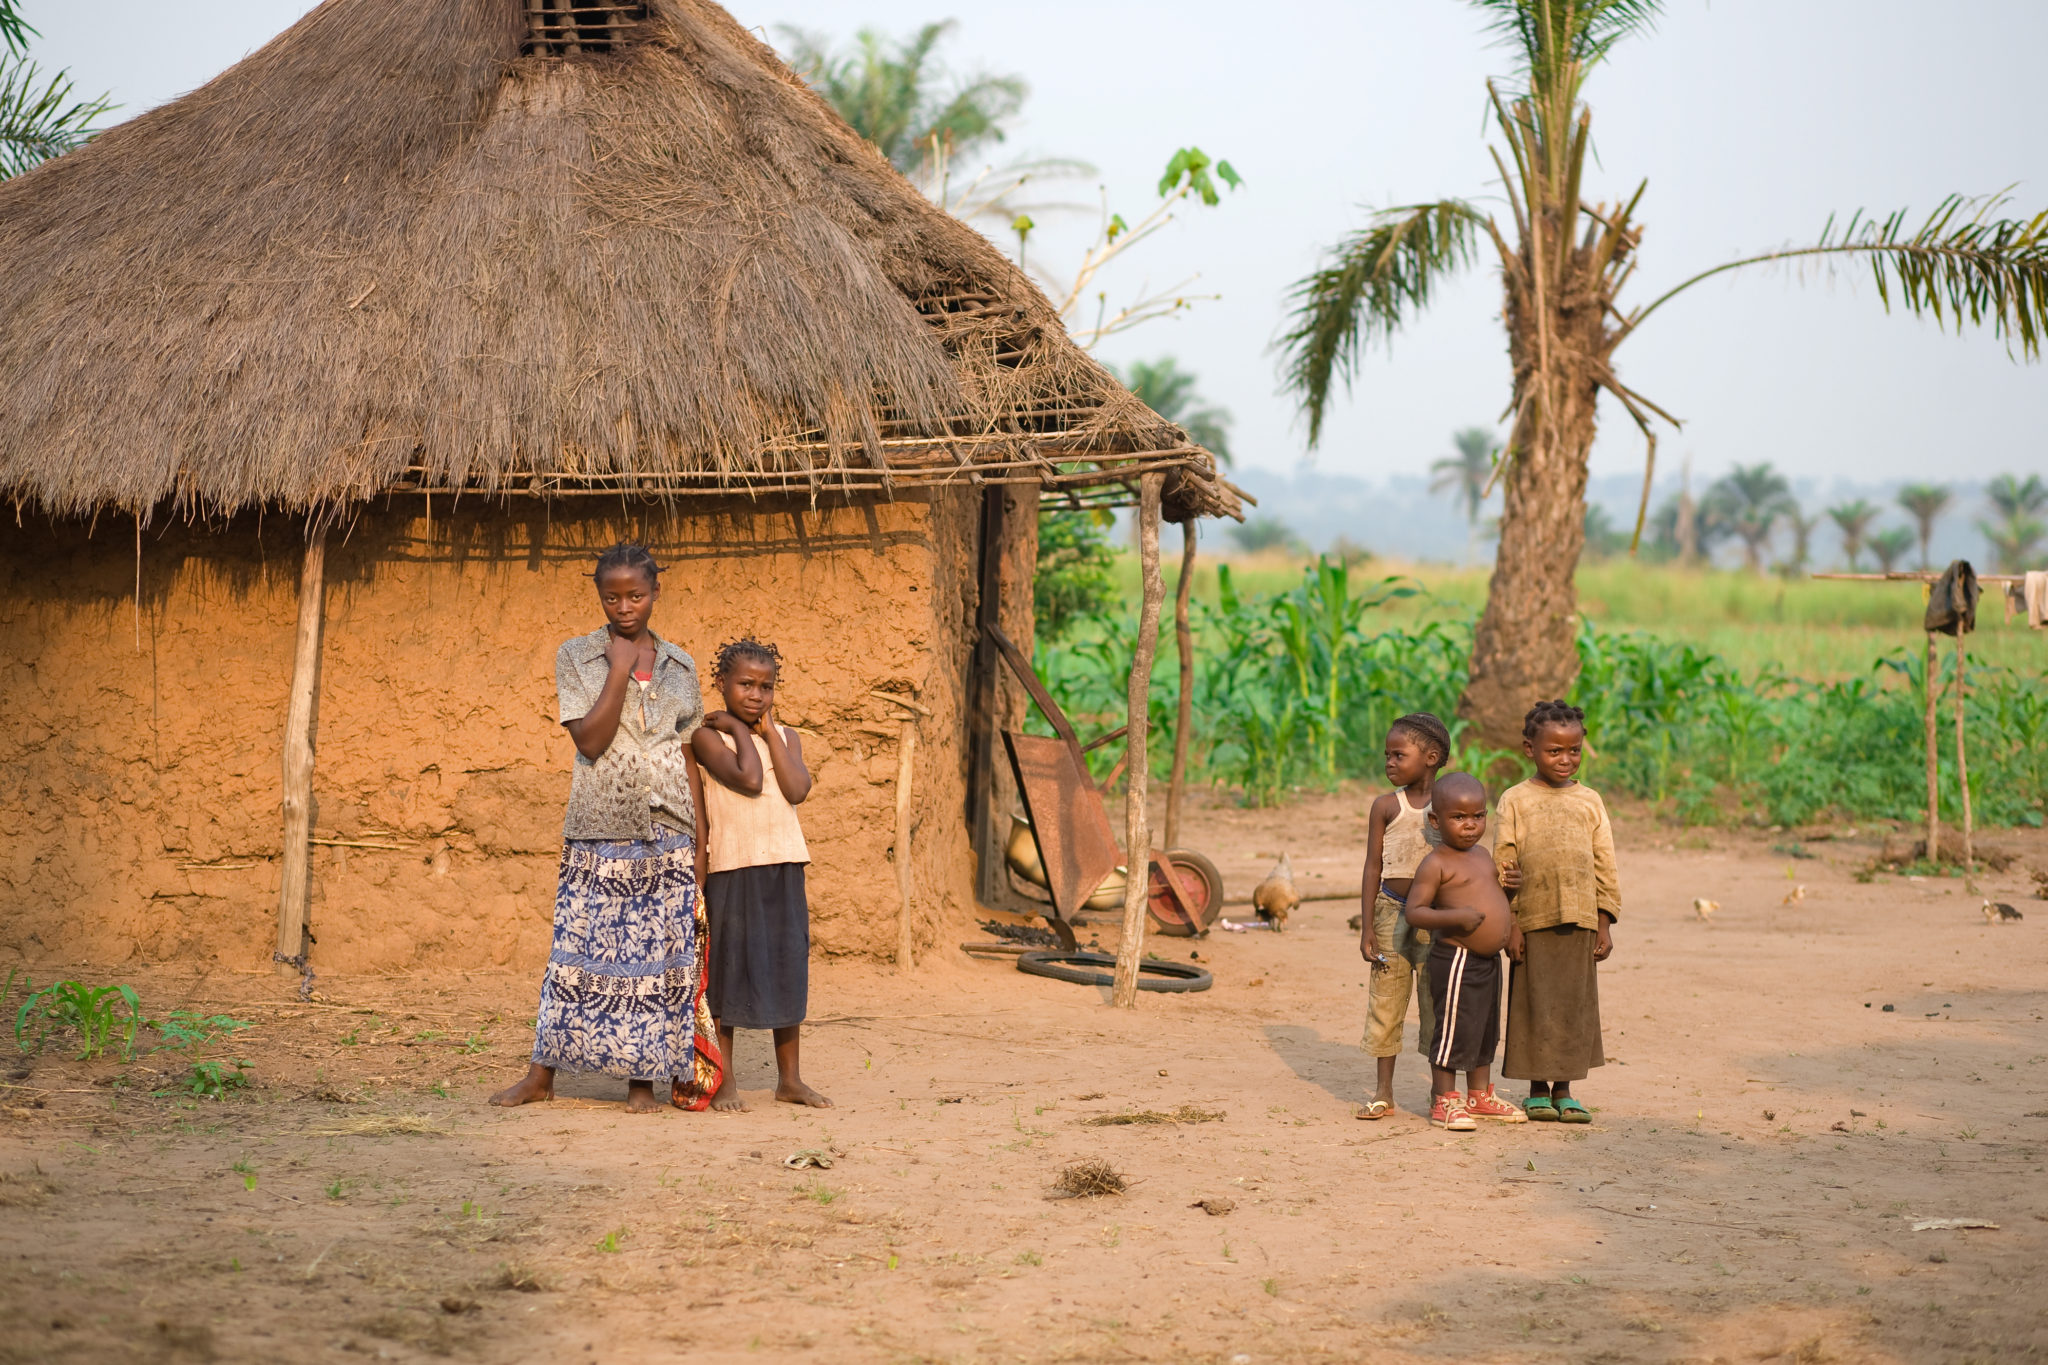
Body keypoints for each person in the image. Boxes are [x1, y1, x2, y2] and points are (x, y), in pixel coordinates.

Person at [490, 543, 722, 1114]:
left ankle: (640, 1082)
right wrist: (618, 671)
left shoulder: (681, 666)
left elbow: (688, 754)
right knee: (576, 952)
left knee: (655, 962)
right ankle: (541, 1075)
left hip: (668, 826)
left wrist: (701, 840)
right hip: (600, 825)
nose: (625, 607)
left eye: (636, 595)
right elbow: (590, 740)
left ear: (655, 593)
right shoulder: (579, 656)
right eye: (612, 596)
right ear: (600, 596)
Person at [691, 639, 831, 1111]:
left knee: (788, 968)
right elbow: (748, 780)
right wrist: (734, 726)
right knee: (728, 975)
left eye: (766, 687)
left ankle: (789, 1080)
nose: (756, 695)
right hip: (733, 866)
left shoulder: (788, 738)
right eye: (745, 685)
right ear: (722, 685)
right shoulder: (709, 737)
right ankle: (724, 1080)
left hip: (784, 864)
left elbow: (796, 789)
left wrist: (769, 733)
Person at [1495, 699, 1619, 1124]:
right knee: (1533, 1005)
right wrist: (1511, 923)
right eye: (1554, 751)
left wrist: (1604, 921)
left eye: (1574, 751)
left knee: (1572, 1005)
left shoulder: (1590, 801)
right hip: (1532, 918)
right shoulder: (1515, 799)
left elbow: (1605, 862)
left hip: (1581, 919)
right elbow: (1504, 860)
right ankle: (1535, 1090)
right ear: (1529, 749)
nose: (1565, 760)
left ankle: (1565, 1090)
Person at [1401, 773, 1528, 1131]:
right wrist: (1455, 917)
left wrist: (1511, 891)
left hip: (1488, 961)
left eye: (1478, 816)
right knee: (1454, 1029)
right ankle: (1444, 1100)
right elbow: (1415, 912)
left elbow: (1494, 900)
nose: (1470, 826)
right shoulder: (1436, 864)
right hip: (1457, 958)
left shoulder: (1484, 855)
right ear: (1435, 821)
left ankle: (1479, 1096)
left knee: (1484, 1028)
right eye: (1459, 818)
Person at [1355, 713, 1451, 1120]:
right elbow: (1372, 867)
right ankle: (1383, 1091)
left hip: (1435, 917)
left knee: (1435, 1005)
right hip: (1389, 914)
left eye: (1399, 754)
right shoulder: (1385, 807)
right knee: (1386, 1003)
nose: (1389, 762)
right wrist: (1365, 928)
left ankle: (1439, 1093)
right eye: (1386, 755)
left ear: (1430, 757)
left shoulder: (1449, 805)